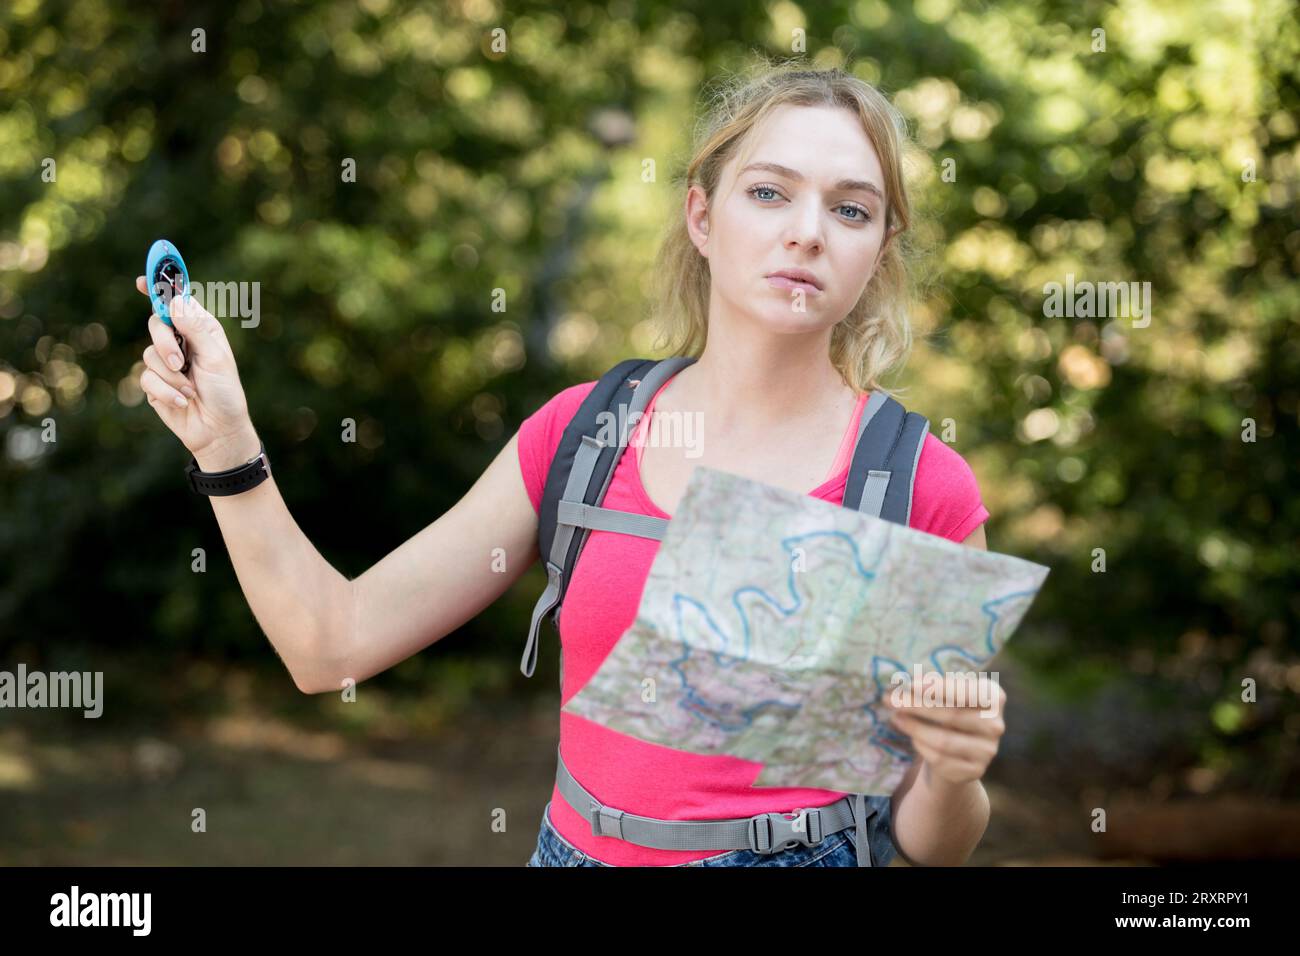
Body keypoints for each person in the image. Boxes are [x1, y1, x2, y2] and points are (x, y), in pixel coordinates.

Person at [134, 63, 1004, 868]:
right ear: (702, 217)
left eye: (851, 210)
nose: (807, 233)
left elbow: (930, 845)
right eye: (770, 192)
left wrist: (954, 773)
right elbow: (330, 643)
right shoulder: (583, 433)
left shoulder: (918, 484)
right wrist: (225, 444)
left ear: (881, 248)